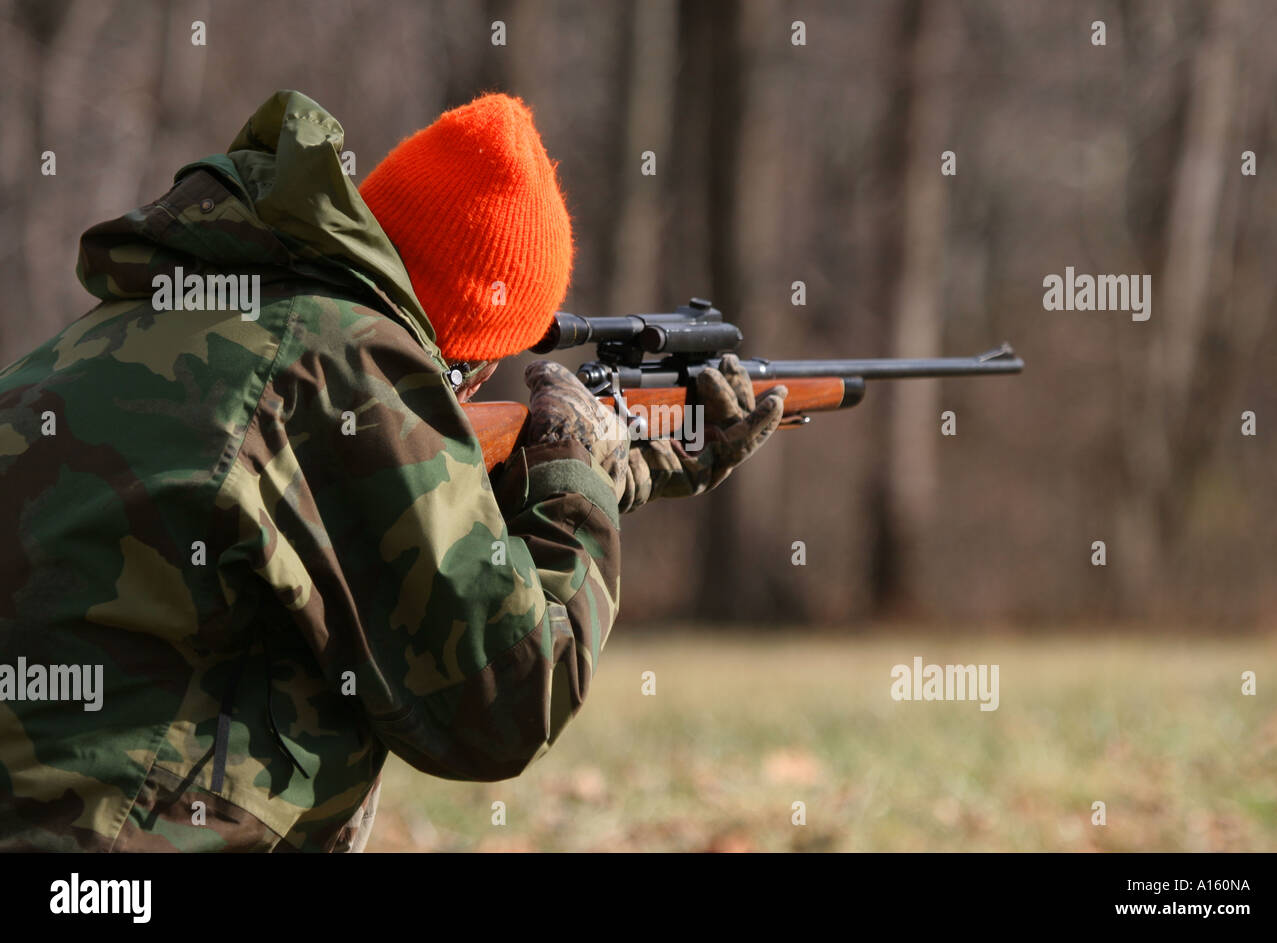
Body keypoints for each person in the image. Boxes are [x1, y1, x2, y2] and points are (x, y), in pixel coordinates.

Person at [0, 90, 785, 852]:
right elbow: (506, 700)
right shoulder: (342, 360)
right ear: (460, 352)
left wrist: (605, 474)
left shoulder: (127, 326)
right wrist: (576, 484)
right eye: (479, 374)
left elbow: (351, 543)